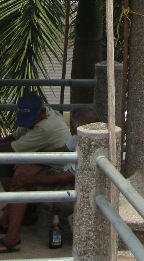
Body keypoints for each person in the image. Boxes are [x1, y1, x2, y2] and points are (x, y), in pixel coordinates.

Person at [0, 91, 71, 254]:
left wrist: (30, 179)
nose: (28, 124)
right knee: (15, 167)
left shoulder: (45, 128)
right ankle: (8, 219)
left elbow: (13, 148)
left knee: (21, 174)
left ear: (41, 113)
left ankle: (12, 238)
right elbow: (15, 137)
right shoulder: (42, 115)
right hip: (47, 165)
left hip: (59, 177)